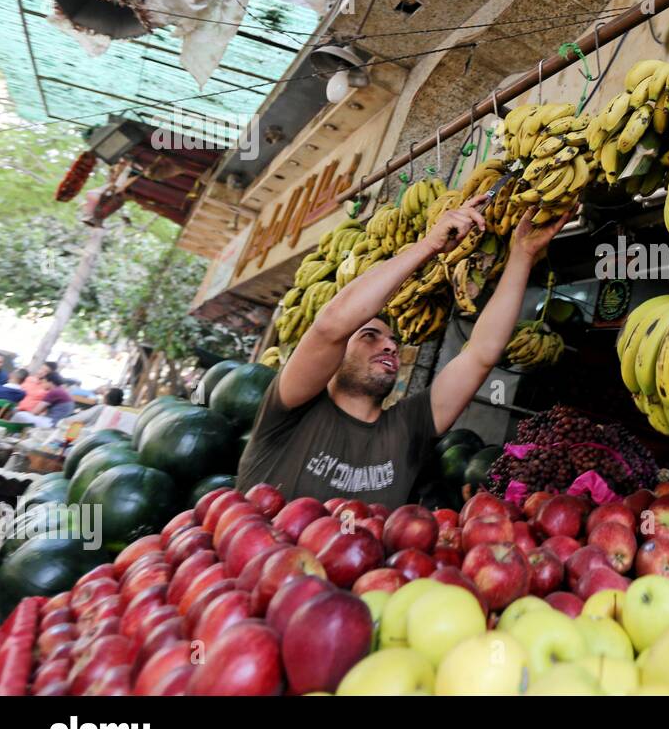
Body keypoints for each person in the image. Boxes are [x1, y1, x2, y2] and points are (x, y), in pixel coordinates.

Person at [236, 198, 568, 509]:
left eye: (394, 340)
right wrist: (430, 245)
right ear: (334, 357)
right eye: (369, 336)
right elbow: (332, 325)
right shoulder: (290, 412)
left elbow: (481, 353)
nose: (390, 345)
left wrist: (522, 255)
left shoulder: (408, 427)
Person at [58, 387, 124, 430]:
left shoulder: (102, 407)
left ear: (107, 398)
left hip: (86, 432)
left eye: (104, 396)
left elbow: (79, 418)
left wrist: (63, 421)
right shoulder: (119, 411)